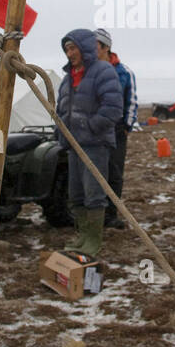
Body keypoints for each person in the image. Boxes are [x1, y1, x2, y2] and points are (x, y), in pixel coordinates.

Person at [55, 29, 122, 258]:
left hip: (95, 144)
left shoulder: (103, 71)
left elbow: (113, 108)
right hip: (73, 145)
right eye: (66, 49)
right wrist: (61, 133)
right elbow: (61, 109)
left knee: (94, 194)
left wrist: (90, 127)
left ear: (84, 47)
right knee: (76, 194)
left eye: (73, 47)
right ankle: (82, 236)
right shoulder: (67, 78)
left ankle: (94, 240)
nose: (69, 53)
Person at [94, 28, 136, 230]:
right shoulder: (87, 70)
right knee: (92, 171)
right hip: (93, 130)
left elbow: (132, 101)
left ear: (105, 47)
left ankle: (110, 215)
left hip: (117, 131)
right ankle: (93, 215)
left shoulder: (124, 72)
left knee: (114, 173)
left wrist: (126, 126)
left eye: (95, 45)